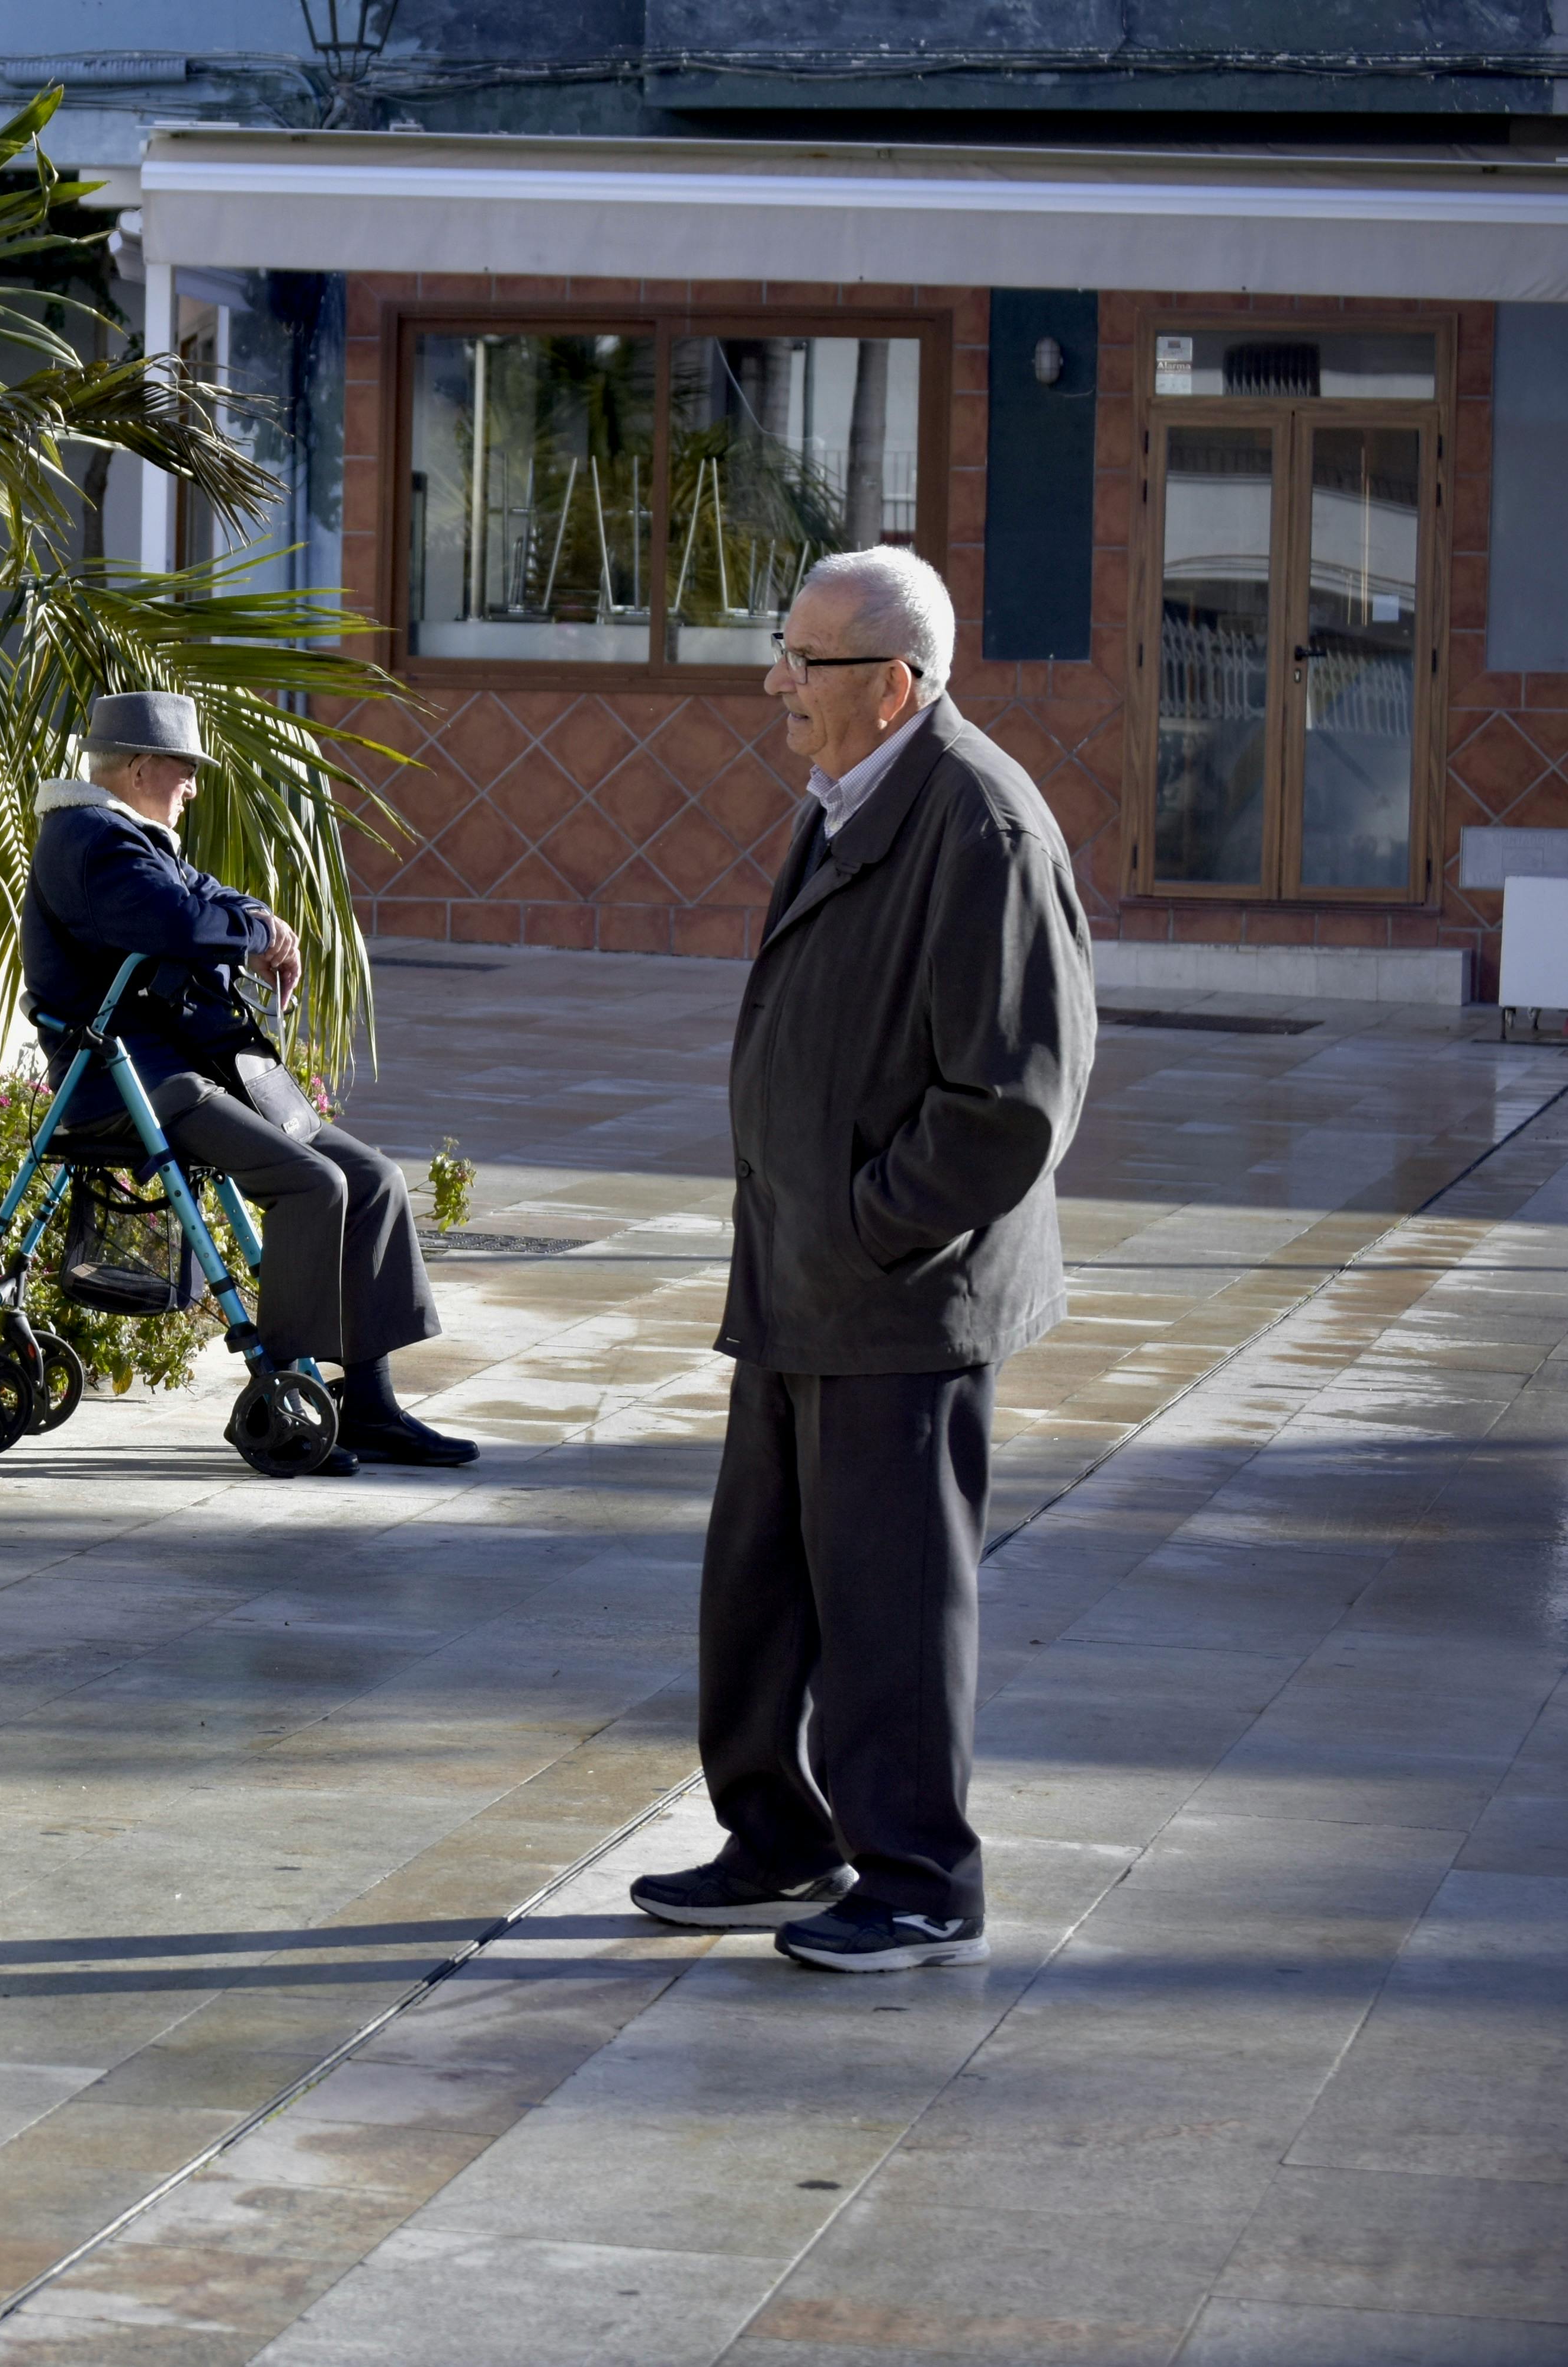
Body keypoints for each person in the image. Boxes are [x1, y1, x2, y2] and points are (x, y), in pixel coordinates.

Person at [630, 546, 1094, 1975]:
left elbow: (1014, 1101)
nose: (776, 683)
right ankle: (781, 1837)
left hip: (897, 1293)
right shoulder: (852, 794)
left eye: (801, 662)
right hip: (799, 1280)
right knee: (762, 1580)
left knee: (891, 1604)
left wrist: (863, 1220)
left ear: (889, 684)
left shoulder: (984, 829)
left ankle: (918, 1880)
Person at [24, 690, 473, 1474]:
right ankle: (295, 1396)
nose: (193, 786)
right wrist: (255, 929)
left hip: (187, 1072)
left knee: (370, 1179)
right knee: (311, 1186)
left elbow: (204, 898)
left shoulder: (129, 835)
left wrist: (258, 918)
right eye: (183, 770)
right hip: (127, 1081)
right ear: (137, 767)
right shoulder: (89, 841)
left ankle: (368, 1406)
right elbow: (173, 920)